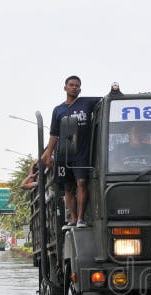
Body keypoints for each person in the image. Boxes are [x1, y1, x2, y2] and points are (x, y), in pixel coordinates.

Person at [41, 75, 101, 228]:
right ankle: (73, 219)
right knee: (68, 187)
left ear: (80, 89)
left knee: (81, 182)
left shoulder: (87, 103)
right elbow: (54, 134)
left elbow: (107, 99)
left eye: (77, 85)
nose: (74, 87)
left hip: (82, 154)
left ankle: (81, 218)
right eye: (71, 85)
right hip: (63, 155)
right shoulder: (58, 110)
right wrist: (48, 153)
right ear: (65, 87)